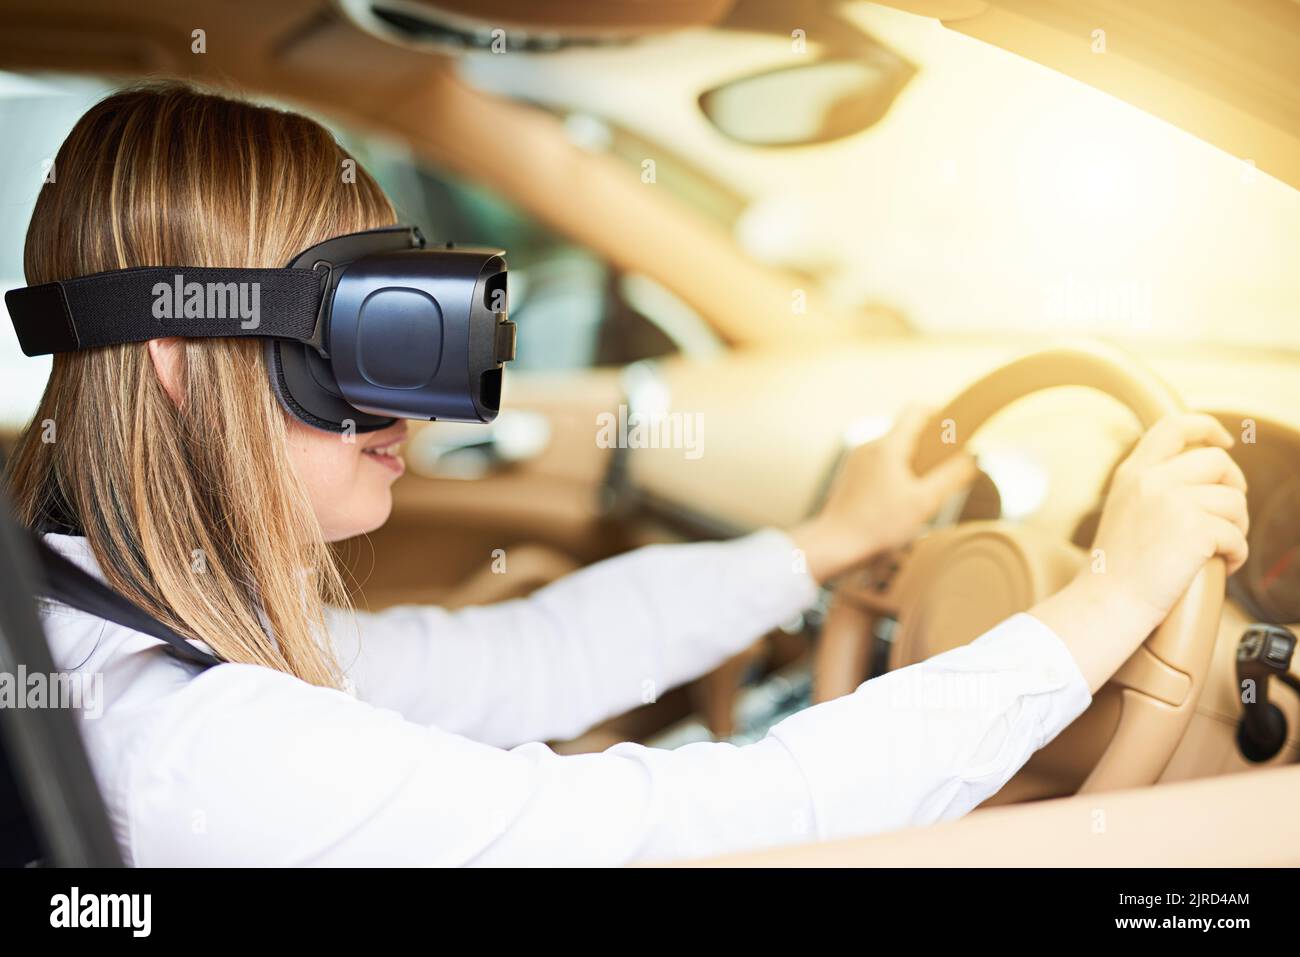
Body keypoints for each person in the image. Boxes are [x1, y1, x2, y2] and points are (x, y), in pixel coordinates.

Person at [5, 83, 1249, 865]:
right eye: (367, 333)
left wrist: (819, 547)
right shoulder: (205, 747)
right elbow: (693, 830)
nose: (415, 408)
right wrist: (1099, 607)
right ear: (177, 357)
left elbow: (523, 659)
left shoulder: (118, 619)